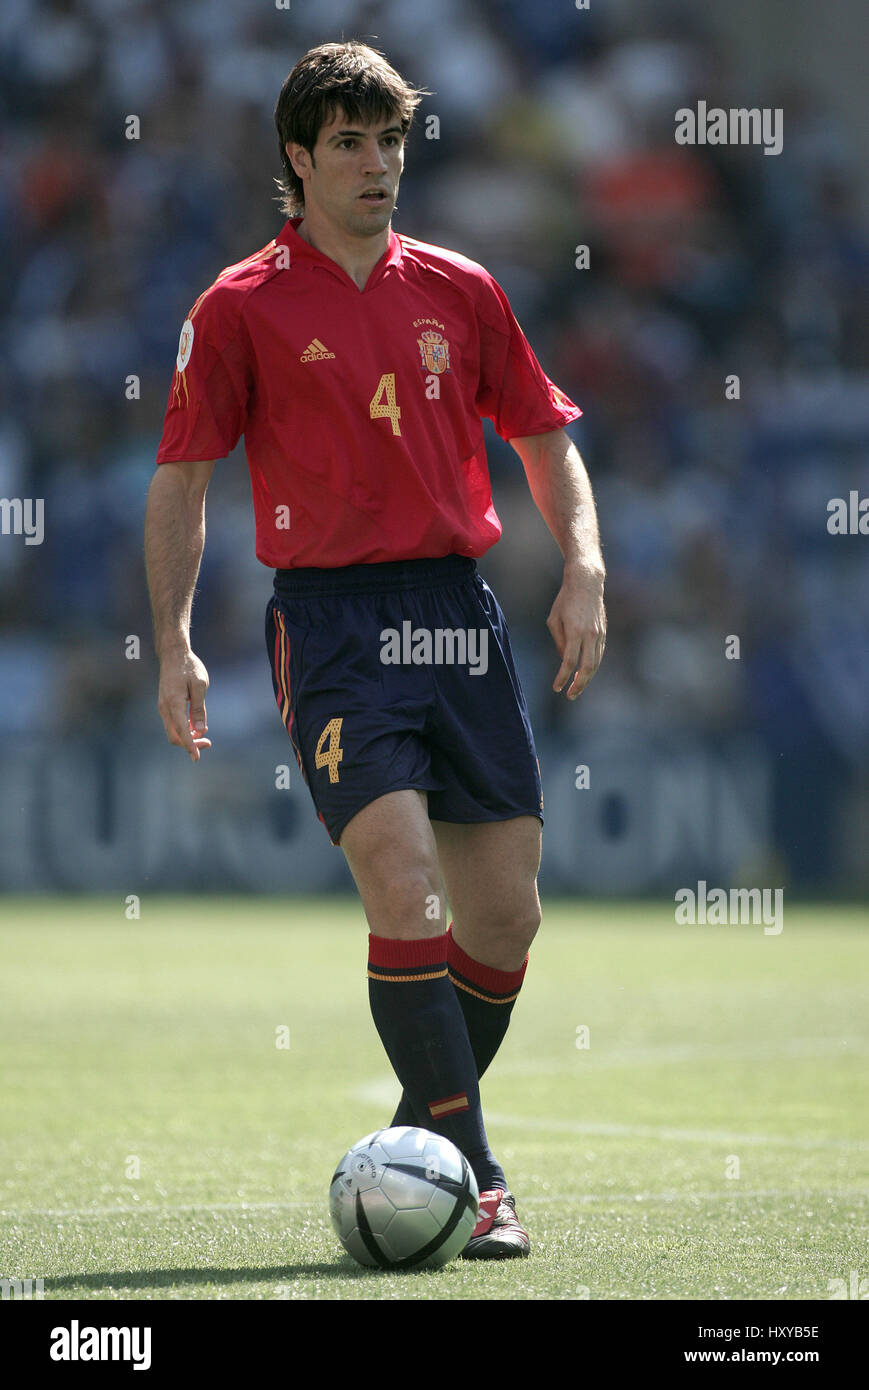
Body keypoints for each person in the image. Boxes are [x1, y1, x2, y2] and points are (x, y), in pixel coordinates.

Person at [145, 40, 606, 1261]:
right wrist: (173, 641)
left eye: (390, 140)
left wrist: (585, 565)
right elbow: (183, 482)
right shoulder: (238, 306)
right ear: (297, 159)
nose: (375, 163)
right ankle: (482, 1179)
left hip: (457, 614)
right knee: (405, 883)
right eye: (348, 141)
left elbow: (545, 437)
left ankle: (420, 1147)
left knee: (503, 920)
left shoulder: (459, 287)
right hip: (335, 624)